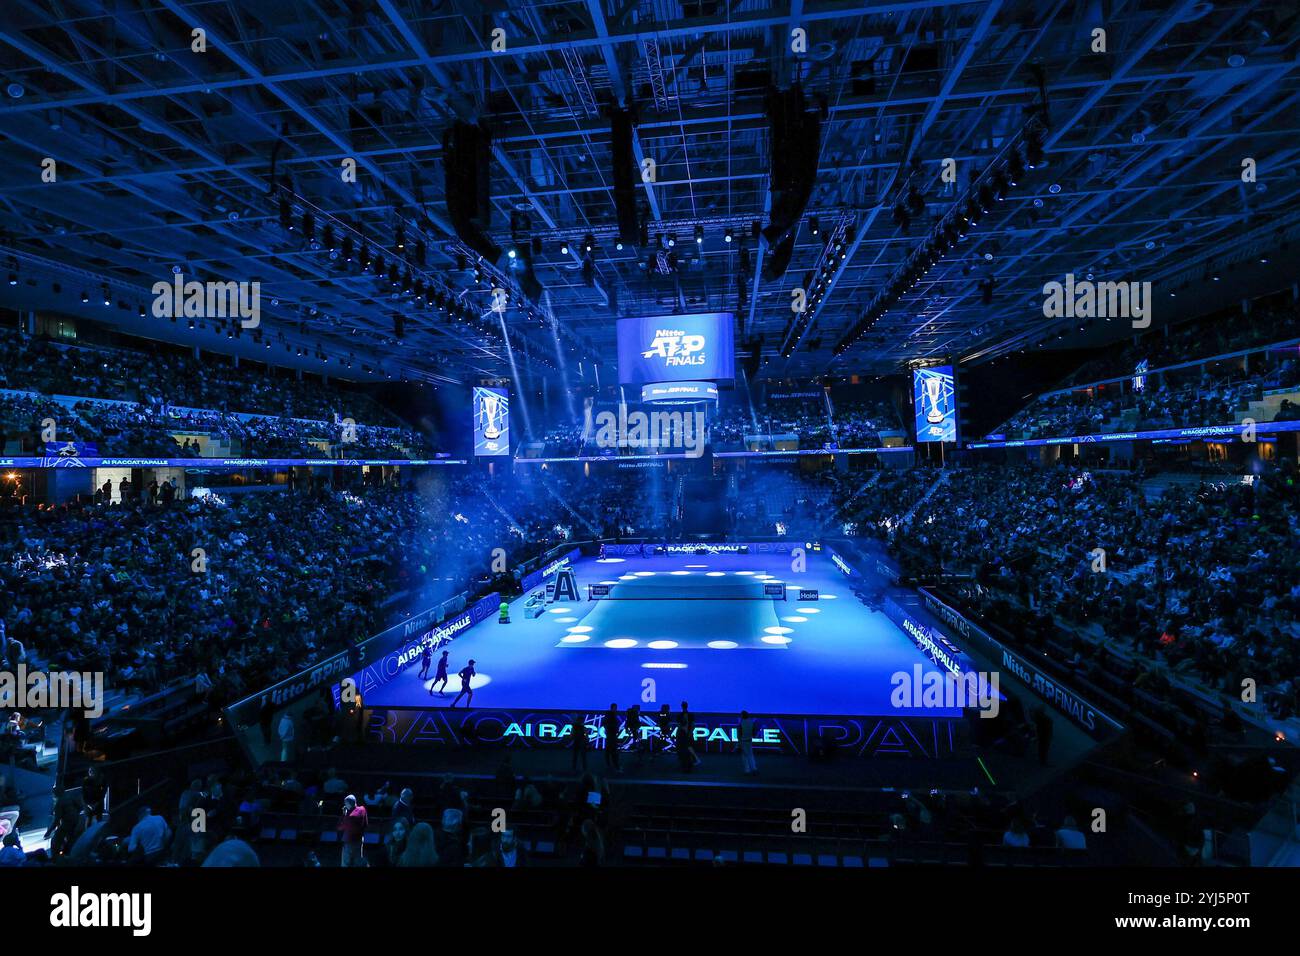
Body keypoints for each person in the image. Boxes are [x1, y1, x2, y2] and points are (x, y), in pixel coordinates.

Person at [338, 795, 368, 867]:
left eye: (345, 803)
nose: (345, 805)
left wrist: (344, 814)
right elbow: (366, 824)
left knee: (346, 862)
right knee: (358, 861)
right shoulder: (362, 809)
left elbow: (340, 827)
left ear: (348, 804)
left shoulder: (350, 817)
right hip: (360, 839)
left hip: (349, 842)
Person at [602, 704, 622, 772]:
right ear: (613, 708)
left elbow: (604, 723)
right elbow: (605, 723)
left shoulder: (612, 715)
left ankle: (610, 765)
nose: (616, 709)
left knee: (609, 750)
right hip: (611, 734)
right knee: (612, 751)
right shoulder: (611, 715)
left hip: (611, 734)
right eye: (615, 708)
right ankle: (615, 766)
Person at [738, 710, 757, 775]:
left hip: (743, 741)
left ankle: (747, 770)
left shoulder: (741, 723)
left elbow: (739, 734)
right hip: (749, 740)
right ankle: (753, 768)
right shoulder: (751, 722)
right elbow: (754, 733)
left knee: (745, 756)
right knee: (750, 755)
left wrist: (739, 743)